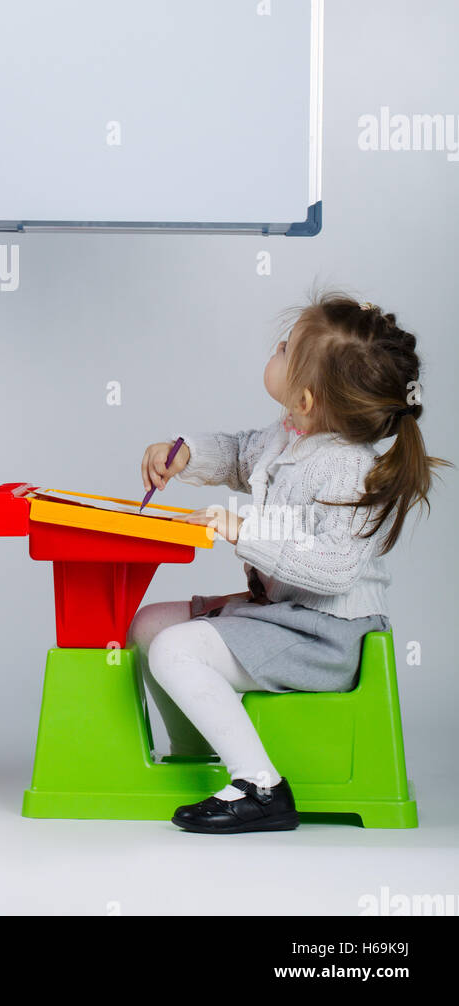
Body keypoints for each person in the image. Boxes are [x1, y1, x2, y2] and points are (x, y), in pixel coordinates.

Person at [132, 291, 451, 834]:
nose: (273, 351)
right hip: (287, 617)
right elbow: (239, 454)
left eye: (284, 348)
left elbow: (333, 569)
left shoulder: (345, 468)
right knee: (149, 624)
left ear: (305, 397)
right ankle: (203, 751)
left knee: (176, 648)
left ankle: (260, 786)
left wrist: (245, 531)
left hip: (325, 635)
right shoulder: (291, 436)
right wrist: (186, 455)